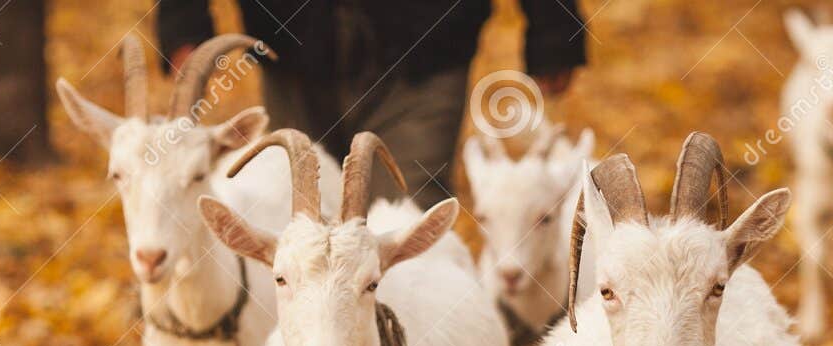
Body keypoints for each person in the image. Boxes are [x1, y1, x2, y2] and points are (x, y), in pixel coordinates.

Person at [157, 0, 588, 208]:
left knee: (407, 223)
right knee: (301, 225)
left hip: (424, 52)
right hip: (294, 48)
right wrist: (183, 22)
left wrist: (554, 28)